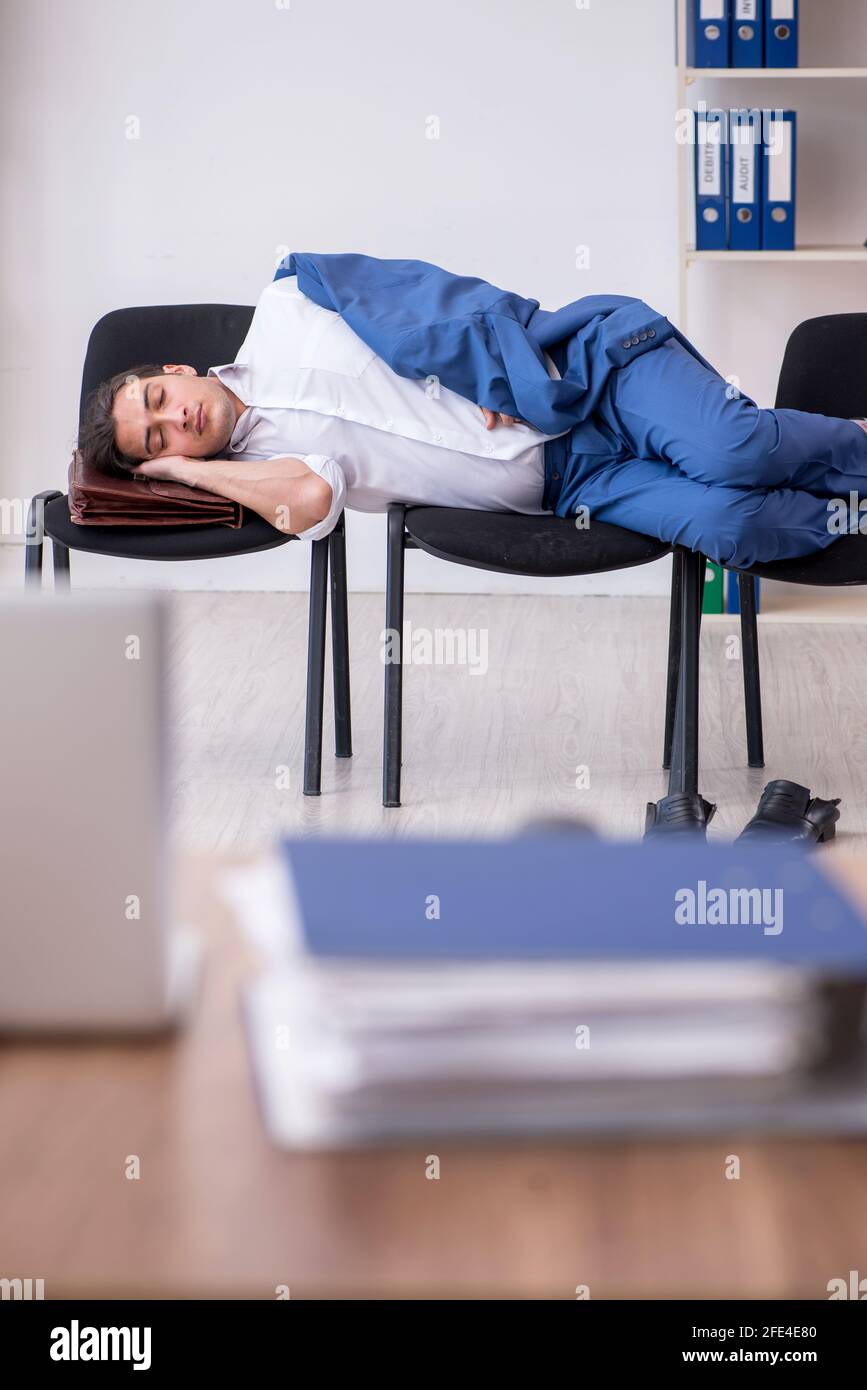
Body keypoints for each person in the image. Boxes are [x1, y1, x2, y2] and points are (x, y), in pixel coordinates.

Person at [77, 256, 867, 567]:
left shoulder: (291, 305)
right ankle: (852, 516)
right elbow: (314, 502)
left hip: (587, 373)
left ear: (176, 371)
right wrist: (188, 473)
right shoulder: (267, 472)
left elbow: (429, 301)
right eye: (157, 439)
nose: (175, 420)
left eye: (159, 400)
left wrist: (496, 370)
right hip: (579, 483)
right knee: (730, 529)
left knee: (732, 453)